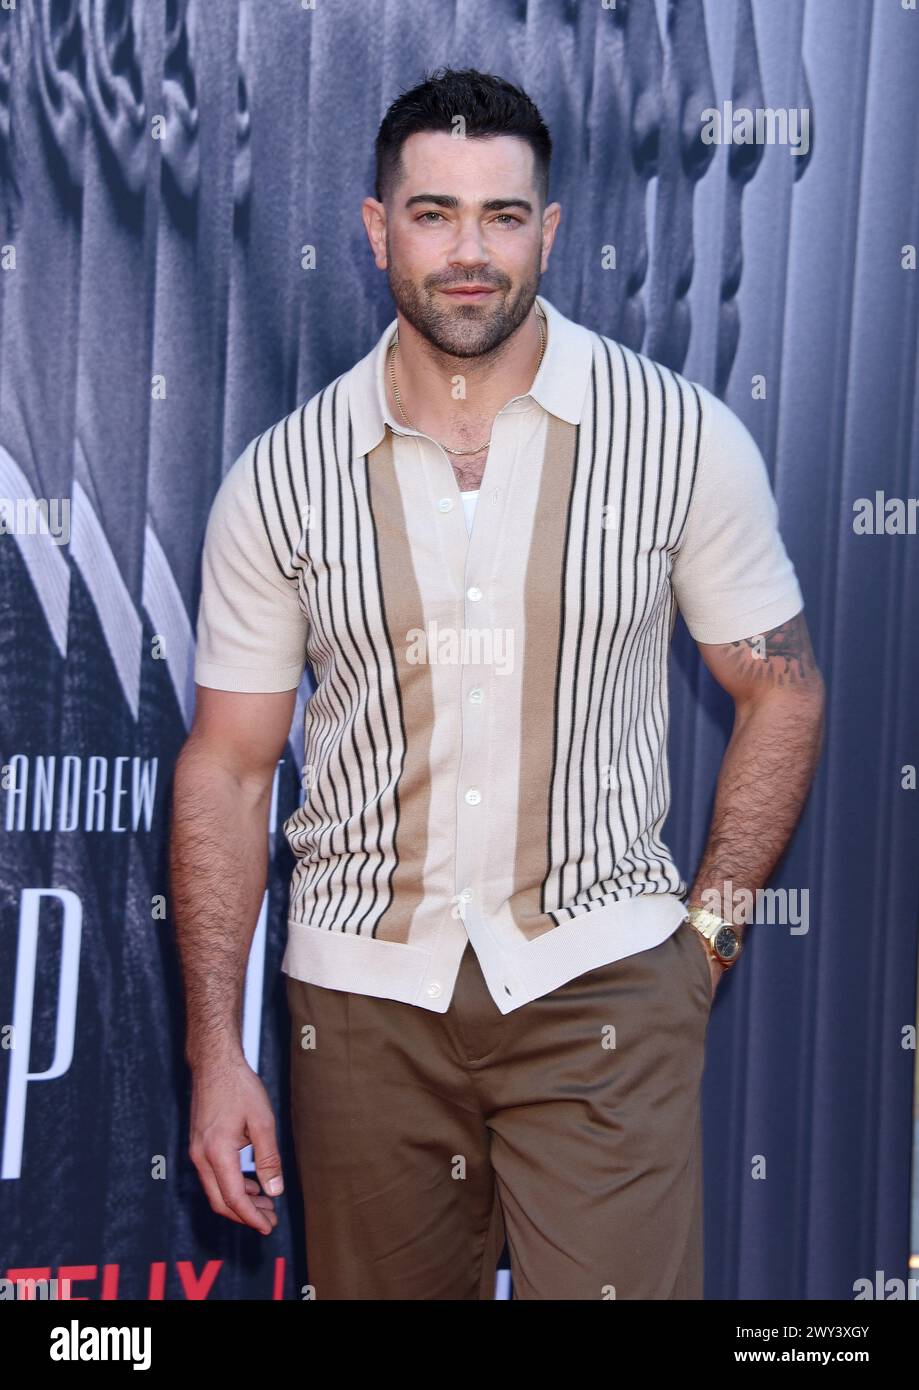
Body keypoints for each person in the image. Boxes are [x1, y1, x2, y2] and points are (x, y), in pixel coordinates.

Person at [170, 67, 825, 1300]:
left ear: (550, 230)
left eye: (503, 216)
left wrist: (703, 948)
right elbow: (228, 764)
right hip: (358, 1008)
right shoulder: (281, 478)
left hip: (608, 988)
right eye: (432, 213)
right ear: (377, 231)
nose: (469, 252)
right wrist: (219, 1046)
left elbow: (780, 687)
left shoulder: (678, 437)